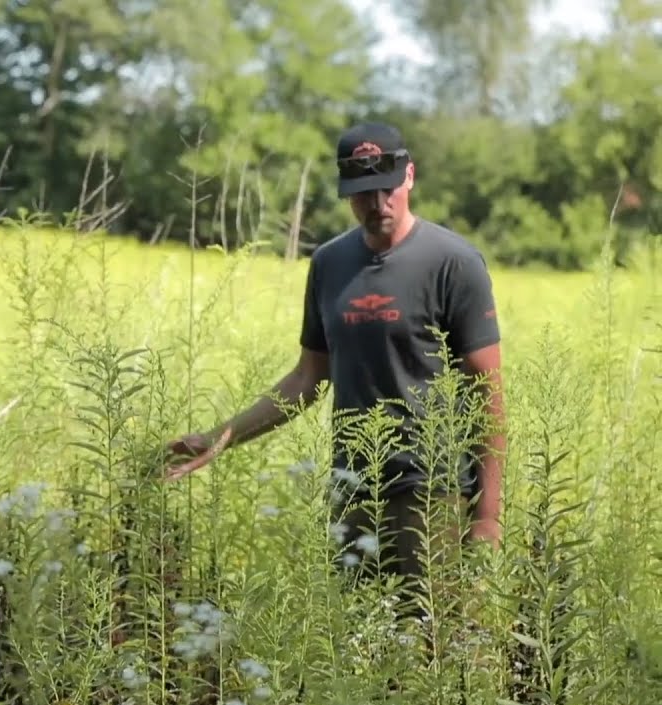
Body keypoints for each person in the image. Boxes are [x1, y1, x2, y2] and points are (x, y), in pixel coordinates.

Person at [162, 121, 506, 617]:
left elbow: (487, 395)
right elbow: (307, 378)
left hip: (431, 493)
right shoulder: (330, 263)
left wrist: (488, 514)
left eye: (387, 187)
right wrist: (219, 437)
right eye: (363, 192)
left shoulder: (453, 263)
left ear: (409, 176)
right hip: (353, 486)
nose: (378, 202)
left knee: (435, 645)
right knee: (355, 640)